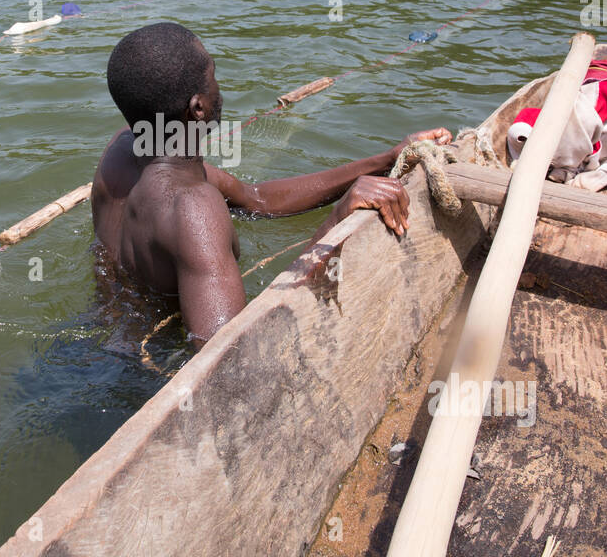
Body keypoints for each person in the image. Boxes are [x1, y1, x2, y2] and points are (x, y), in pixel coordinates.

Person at [92, 21, 450, 346]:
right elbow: (227, 359)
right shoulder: (194, 207)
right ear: (197, 108)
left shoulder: (122, 152)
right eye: (212, 75)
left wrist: (385, 160)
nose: (219, 85)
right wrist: (336, 220)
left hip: (106, 338)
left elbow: (255, 198)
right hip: (149, 375)